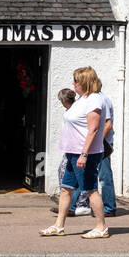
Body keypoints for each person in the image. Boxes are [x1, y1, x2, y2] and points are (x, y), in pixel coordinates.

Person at [41, 66, 109, 239]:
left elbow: (93, 130)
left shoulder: (94, 100)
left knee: (91, 190)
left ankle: (101, 228)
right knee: (66, 189)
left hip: (85, 154)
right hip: (72, 153)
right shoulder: (82, 99)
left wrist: (84, 154)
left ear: (85, 82)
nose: (73, 83)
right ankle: (59, 226)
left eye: (76, 80)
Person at [70, 92, 116, 217]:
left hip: (100, 145)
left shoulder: (100, 99)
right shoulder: (87, 99)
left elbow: (107, 124)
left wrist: (97, 144)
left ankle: (108, 208)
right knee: (81, 174)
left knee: (104, 176)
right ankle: (72, 206)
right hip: (93, 145)